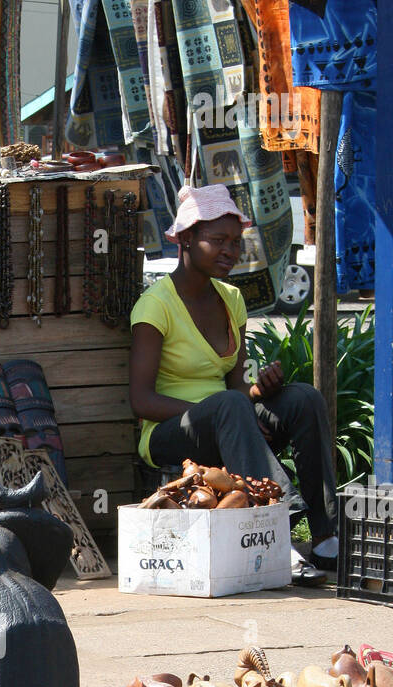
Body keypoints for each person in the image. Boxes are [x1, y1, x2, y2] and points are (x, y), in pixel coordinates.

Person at [129, 184, 339, 586]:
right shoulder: (155, 306)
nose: (231, 250)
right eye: (218, 240)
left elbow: (237, 386)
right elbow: (140, 401)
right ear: (186, 238)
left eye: (236, 242)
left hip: (227, 420)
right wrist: (223, 409)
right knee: (226, 404)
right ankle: (277, 533)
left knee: (303, 398)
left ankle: (325, 535)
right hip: (168, 433)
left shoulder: (231, 298)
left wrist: (256, 393)